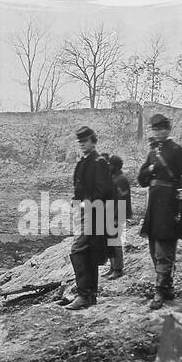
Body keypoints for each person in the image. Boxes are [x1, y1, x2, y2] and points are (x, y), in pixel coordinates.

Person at [138, 114, 182, 311]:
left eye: (162, 128)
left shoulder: (178, 152)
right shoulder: (154, 152)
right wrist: (152, 168)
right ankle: (168, 286)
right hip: (154, 205)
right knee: (154, 248)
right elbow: (141, 179)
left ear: (168, 129)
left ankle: (160, 290)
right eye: (155, 129)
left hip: (170, 204)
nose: (159, 132)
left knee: (164, 249)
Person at [64, 125, 113, 311]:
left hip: (94, 212)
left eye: (86, 141)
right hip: (84, 212)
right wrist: (75, 202)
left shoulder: (98, 161)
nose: (83, 145)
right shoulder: (84, 161)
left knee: (77, 250)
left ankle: (84, 294)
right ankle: (89, 296)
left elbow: (102, 190)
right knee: (88, 253)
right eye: (81, 142)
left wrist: (86, 203)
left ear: (93, 142)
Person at [104, 153, 131, 280]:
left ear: (115, 166)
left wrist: (116, 216)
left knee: (115, 241)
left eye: (110, 164)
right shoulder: (114, 177)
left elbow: (121, 200)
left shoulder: (121, 180)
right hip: (110, 213)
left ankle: (118, 269)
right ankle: (112, 267)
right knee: (110, 241)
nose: (108, 166)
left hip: (117, 214)